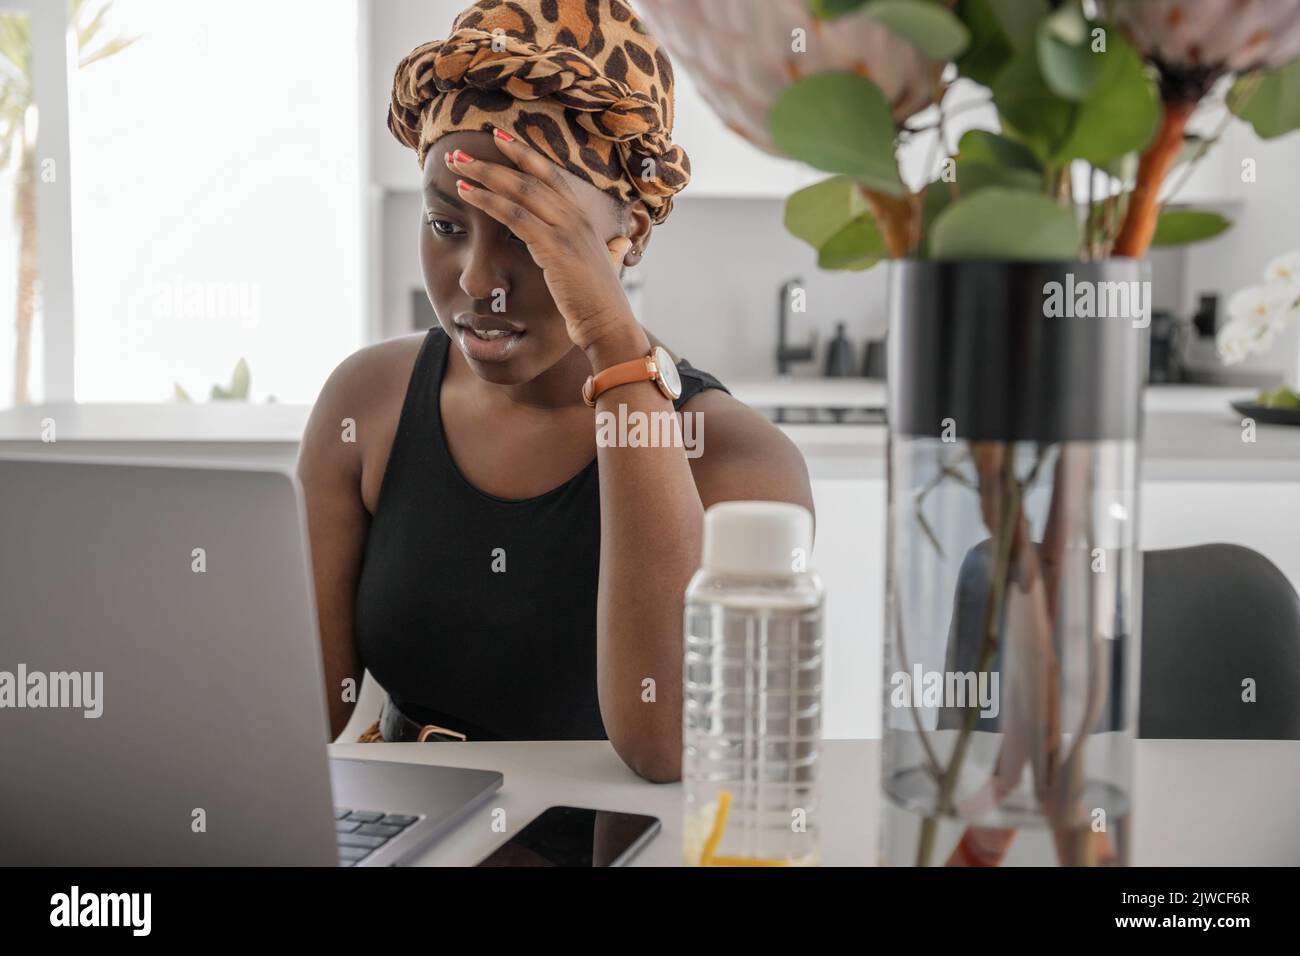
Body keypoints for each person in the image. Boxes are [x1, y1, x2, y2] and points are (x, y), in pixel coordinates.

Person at [297, 0, 812, 783]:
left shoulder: (737, 458)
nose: (475, 281)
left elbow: (667, 744)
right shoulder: (366, 402)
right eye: (446, 226)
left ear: (629, 231)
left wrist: (613, 341)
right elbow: (302, 708)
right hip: (409, 833)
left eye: (530, 233)